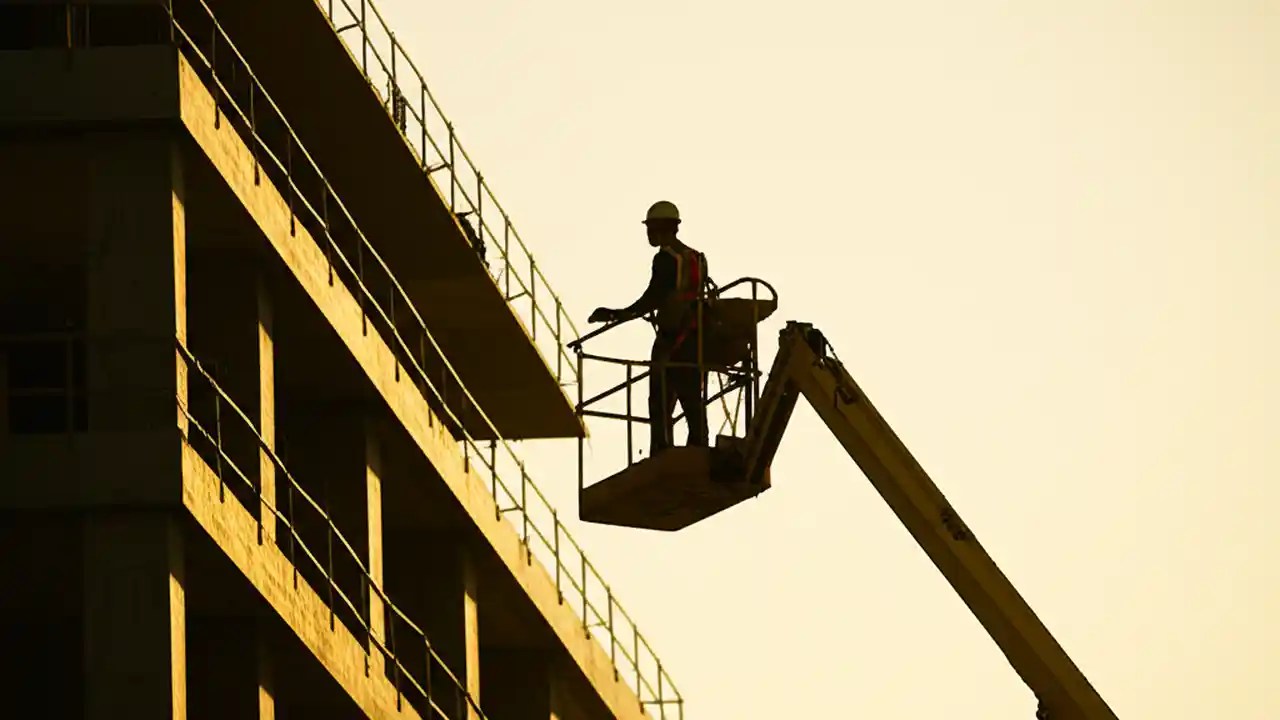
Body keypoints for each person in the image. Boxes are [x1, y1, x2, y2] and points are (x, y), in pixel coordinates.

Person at [588, 200, 710, 456]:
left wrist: (616, 314)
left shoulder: (665, 259)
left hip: (672, 337)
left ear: (661, 228)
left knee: (660, 399)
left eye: (650, 229)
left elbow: (652, 298)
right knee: (691, 397)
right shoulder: (696, 258)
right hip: (696, 337)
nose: (647, 234)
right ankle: (697, 448)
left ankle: (661, 450)